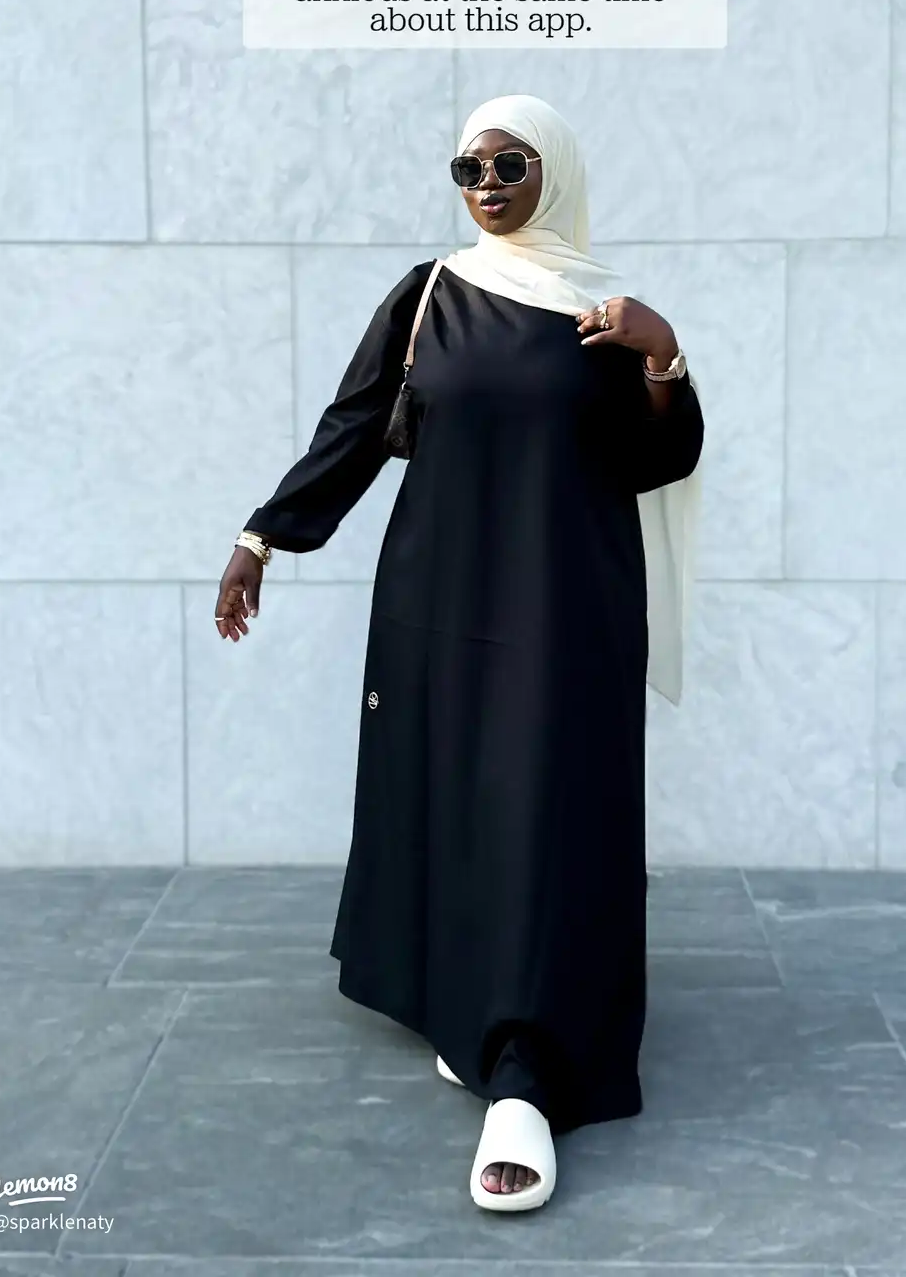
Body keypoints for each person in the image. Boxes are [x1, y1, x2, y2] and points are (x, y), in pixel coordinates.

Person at [215, 94, 705, 1212]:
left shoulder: (602, 312)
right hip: (437, 599)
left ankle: (528, 1073)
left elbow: (660, 461)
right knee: (449, 796)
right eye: (467, 164)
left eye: (509, 161)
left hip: (567, 603)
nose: (484, 180)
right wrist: (261, 539)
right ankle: (466, 1004)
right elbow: (351, 432)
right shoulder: (431, 293)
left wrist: (663, 356)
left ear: (557, 172)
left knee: (545, 807)